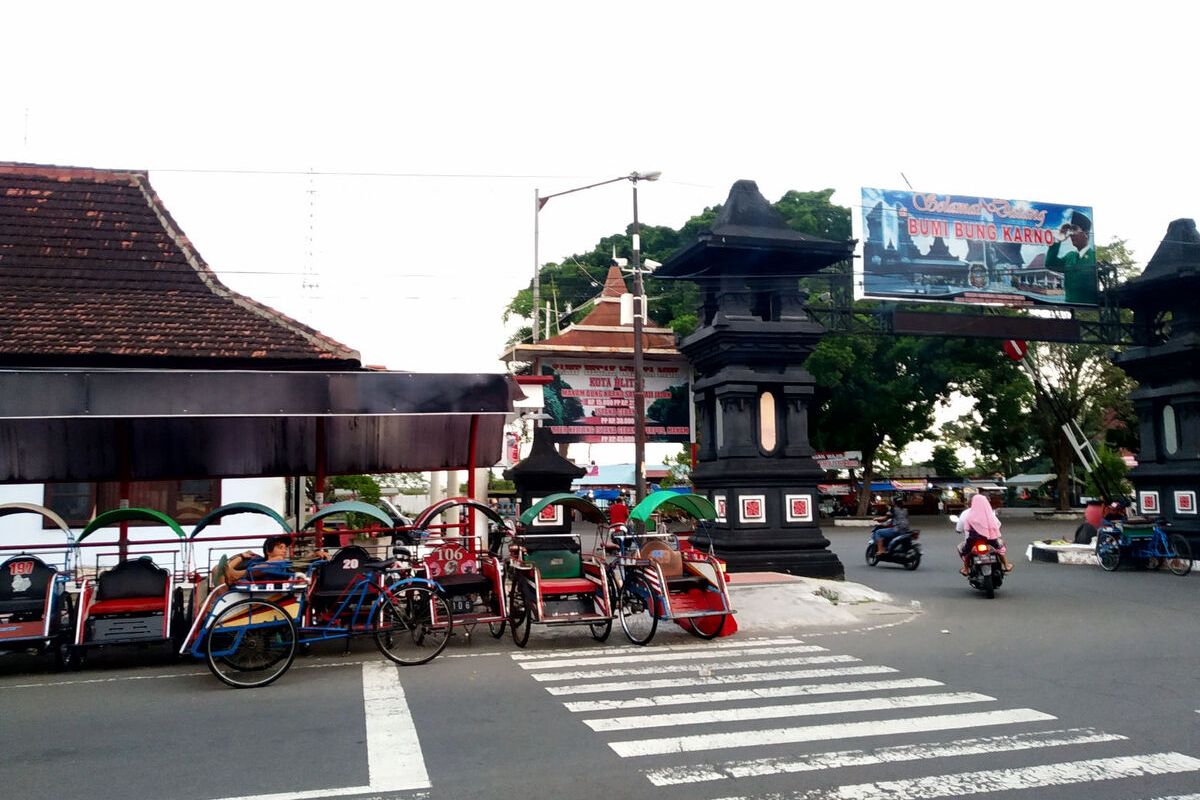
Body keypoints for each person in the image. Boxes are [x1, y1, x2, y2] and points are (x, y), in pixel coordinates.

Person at [223, 536, 328, 585]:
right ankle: (236, 576)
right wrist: (241, 556)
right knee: (217, 571)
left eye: (285, 548)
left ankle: (237, 575)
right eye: (280, 547)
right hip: (248, 583)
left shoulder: (284, 563)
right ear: (268, 551)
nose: (284, 551)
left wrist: (315, 555)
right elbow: (225, 568)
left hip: (269, 587)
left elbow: (301, 562)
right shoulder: (257, 559)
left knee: (279, 561)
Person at [1045, 210, 1096, 304]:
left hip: (1089, 304)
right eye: (1070, 230)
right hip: (1069, 304)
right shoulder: (1070, 256)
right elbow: (1050, 264)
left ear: (1086, 233)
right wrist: (1058, 239)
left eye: (1075, 229)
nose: (1071, 234)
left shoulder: (1093, 257)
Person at [956, 493, 1012, 574]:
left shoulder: (968, 514)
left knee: (966, 552)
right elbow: (998, 525)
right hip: (990, 539)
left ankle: (966, 569)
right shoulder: (990, 514)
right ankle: (1006, 565)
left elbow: (966, 528)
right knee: (999, 549)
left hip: (973, 540)